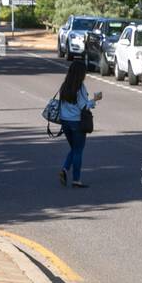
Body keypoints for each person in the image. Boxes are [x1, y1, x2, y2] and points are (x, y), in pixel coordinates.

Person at [57, 60, 101, 188]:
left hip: (65, 122)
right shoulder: (80, 87)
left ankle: (65, 169)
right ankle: (76, 179)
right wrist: (95, 100)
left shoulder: (64, 85)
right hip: (77, 122)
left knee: (74, 149)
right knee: (78, 151)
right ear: (81, 73)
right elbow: (84, 106)